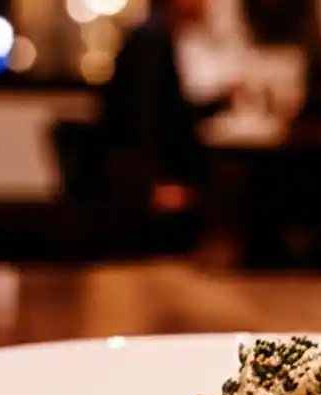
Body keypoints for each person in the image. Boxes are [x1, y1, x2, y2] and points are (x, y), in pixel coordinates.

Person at [98, 0, 246, 253]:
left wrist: (218, 103)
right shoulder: (150, 41)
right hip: (140, 179)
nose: (206, 5)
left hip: (145, 173)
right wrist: (155, 186)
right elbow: (142, 121)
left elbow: (172, 114)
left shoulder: (162, 37)